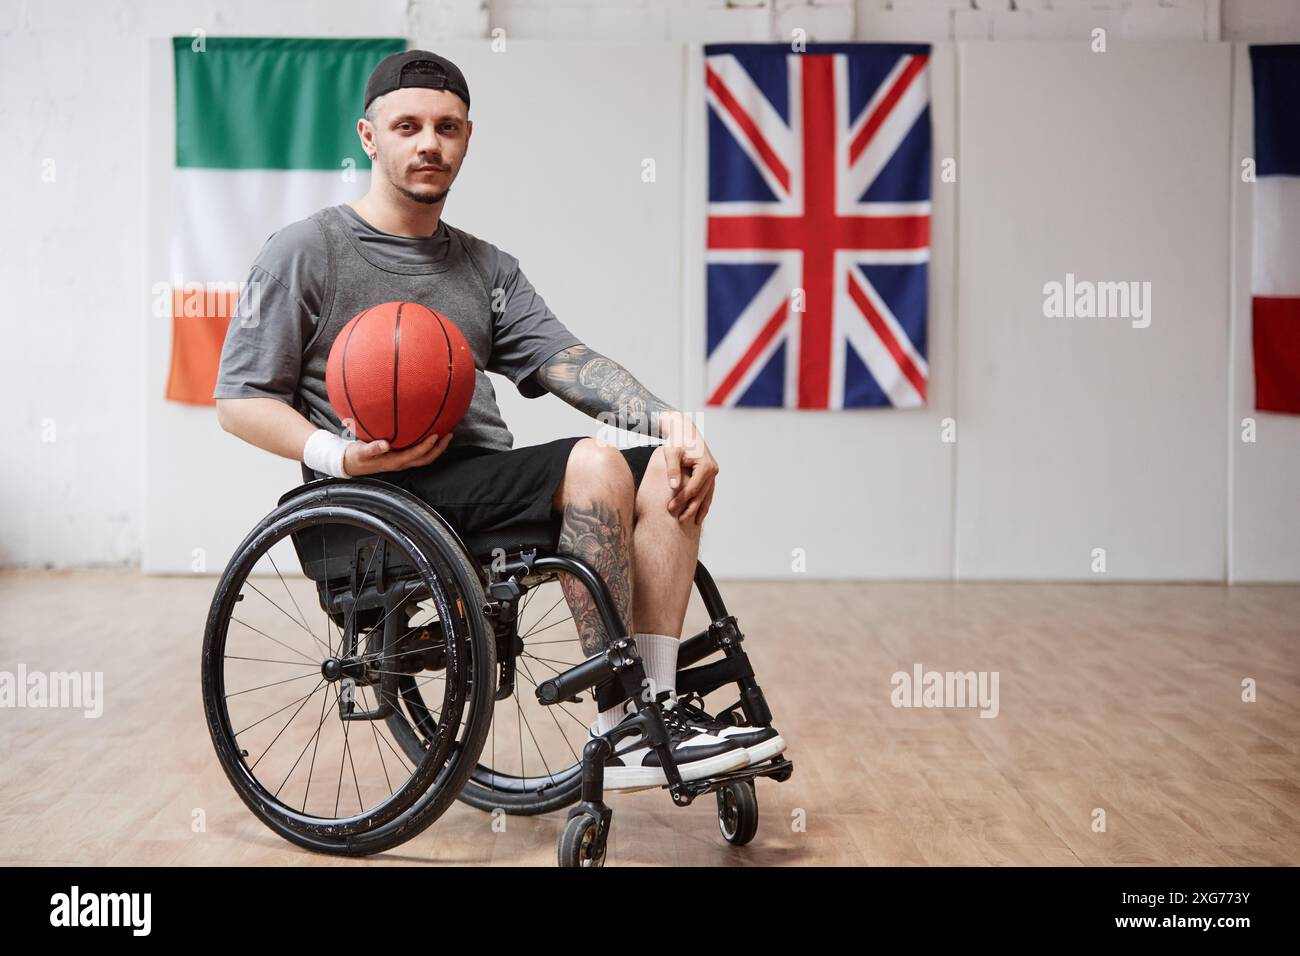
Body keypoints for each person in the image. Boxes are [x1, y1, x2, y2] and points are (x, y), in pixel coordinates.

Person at [212, 49, 783, 788]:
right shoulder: (305, 251)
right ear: (368, 136)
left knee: (667, 467)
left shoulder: (487, 268)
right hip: (375, 496)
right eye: (408, 126)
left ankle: (657, 706)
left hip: (476, 479)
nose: (428, 143)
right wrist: (338, 454)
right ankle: (622, 722)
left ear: (467, 138)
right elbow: (238, 399)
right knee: (593, 461)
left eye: (446, 127)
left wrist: (674, 422)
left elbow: (566, 361)